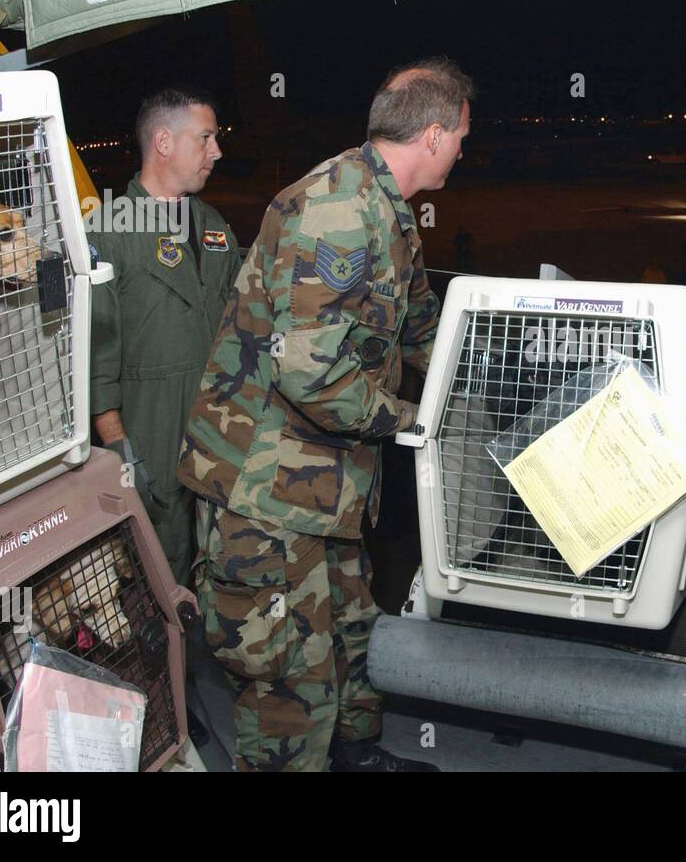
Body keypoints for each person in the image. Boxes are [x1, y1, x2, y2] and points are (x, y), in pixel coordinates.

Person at [175, 57, 472, 772]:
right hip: (267, 493)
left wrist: (475, 382)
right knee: (288, 680)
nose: (465, 148)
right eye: (462, 133)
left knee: (349, 631)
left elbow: (423, 330)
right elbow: (310, 372)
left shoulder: (389, 212)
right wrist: (408, 419)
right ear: (433, 135)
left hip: (326, 486)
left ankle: (356, 756)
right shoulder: (338, 212)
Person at [89, 87, 240, 585]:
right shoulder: (109, 231)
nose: (216, 151)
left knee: (224, 561)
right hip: (149, 424)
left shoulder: (214, 227)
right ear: (163, 142)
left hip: (217, 424)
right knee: (158, 564)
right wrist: (118, 447)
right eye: (205, 138)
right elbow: (94, 353)